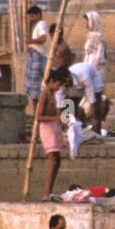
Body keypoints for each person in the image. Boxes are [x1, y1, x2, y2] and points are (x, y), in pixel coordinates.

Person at [35, 70, 68, 200]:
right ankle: (47, 193)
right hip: (47, 128)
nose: (59, 87)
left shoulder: (52, 94)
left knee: (57, 161)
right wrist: (56, 118)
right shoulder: (44, 95)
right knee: (53, 161)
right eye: (58, 84)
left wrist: (61, 122)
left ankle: (49, 191)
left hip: (53, 126)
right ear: (52, 81)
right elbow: (38, 116)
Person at [67, 60, 106, 135]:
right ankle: (72, 129)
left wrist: (95, 121)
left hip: (93, 81)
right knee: (71, 103)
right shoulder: (62, 81)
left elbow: (92, 101)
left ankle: (96, 131)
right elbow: (60, 105)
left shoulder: (85, 77)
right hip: (76, 83)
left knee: (96, 105)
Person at [25, 5, 49, 110]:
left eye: (32, 16)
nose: (31, 19)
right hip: (34, 55)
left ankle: (38, 113)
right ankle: (36, 113)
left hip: (38, 57)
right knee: (32, 86)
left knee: (36, 86)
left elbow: (43, 38)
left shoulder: (41, 24)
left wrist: (31, 41)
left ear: (38, 15)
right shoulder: (37, 25)